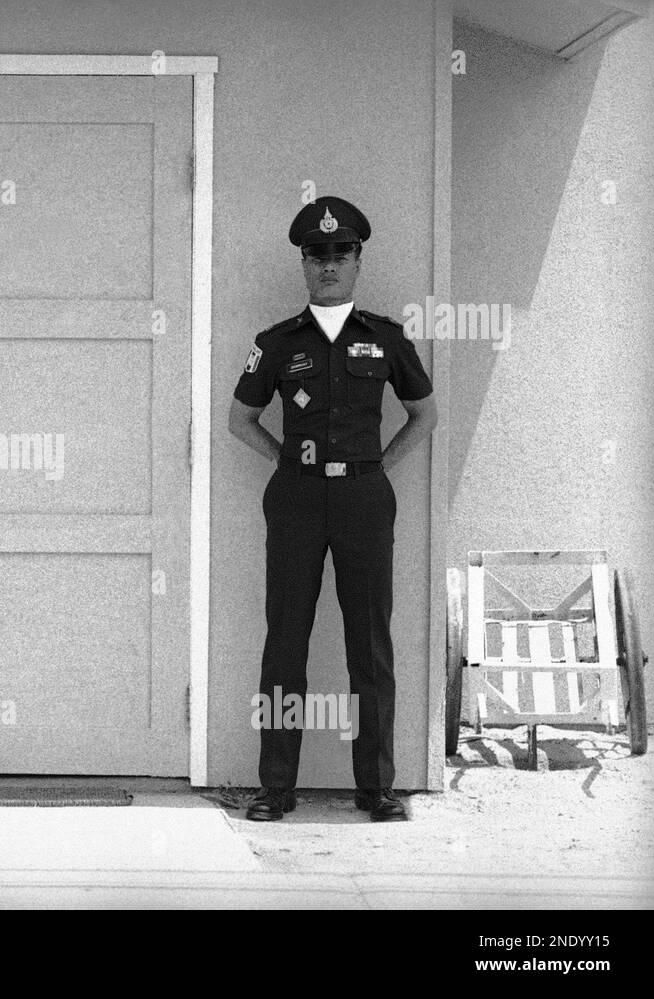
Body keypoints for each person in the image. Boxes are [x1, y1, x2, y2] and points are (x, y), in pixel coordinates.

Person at [227, 196, 436, 822]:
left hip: (364, 500)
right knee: (284, 640)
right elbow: (239, 419)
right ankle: (275, 788)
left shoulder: (387, 340)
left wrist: (375, 467)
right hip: (295, 498)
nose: (328, 264)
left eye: (340, 252)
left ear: (357, 261)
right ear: (304, 264)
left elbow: (424, 414)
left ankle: (377, 789)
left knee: (368, 641)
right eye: (316, 254)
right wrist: (290, 460)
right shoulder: (275, 343)